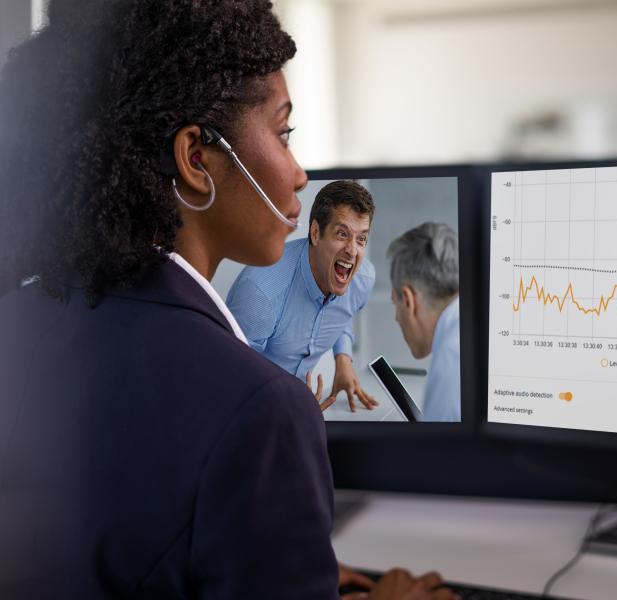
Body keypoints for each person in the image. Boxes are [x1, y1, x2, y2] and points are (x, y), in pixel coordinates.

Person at [0, 1, 455, 598]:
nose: (297, 173)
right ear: (196, 159)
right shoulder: (261, 411)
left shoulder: (14, 326)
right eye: (283, 132)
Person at [227, 180, 379, 412]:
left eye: (361, 239)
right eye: (342, 234)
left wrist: (344, 360)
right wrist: (291, 405)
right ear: (316, 233)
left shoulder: (362, 279)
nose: (352, 250)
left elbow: (344, 311)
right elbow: (232, 379)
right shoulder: (260, 294)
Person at [387, 223, 461, 422]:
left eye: (395, 303)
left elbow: (435, 452)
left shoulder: (450, 362)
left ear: (409, 300)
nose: (396, 317)